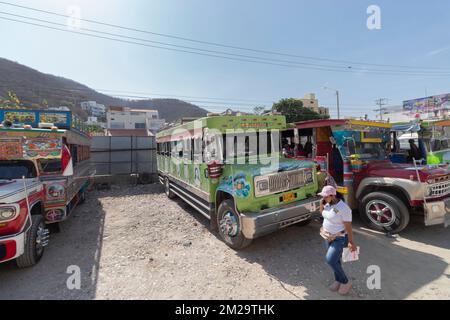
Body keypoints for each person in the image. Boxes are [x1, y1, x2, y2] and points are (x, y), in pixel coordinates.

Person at [318, 185, 356, 295]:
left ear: (332, 195)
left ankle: (345, 281)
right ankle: (338, 280)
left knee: (330, 260)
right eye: (323, 196)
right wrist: (322, 204)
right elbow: (323, 214)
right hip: (327, 236)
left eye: (325, 196)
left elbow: (348, 226)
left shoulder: (343, 208)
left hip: (339, 238)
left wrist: (350, 241)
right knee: (336, 260)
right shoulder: (329, 204)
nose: (323, 198)